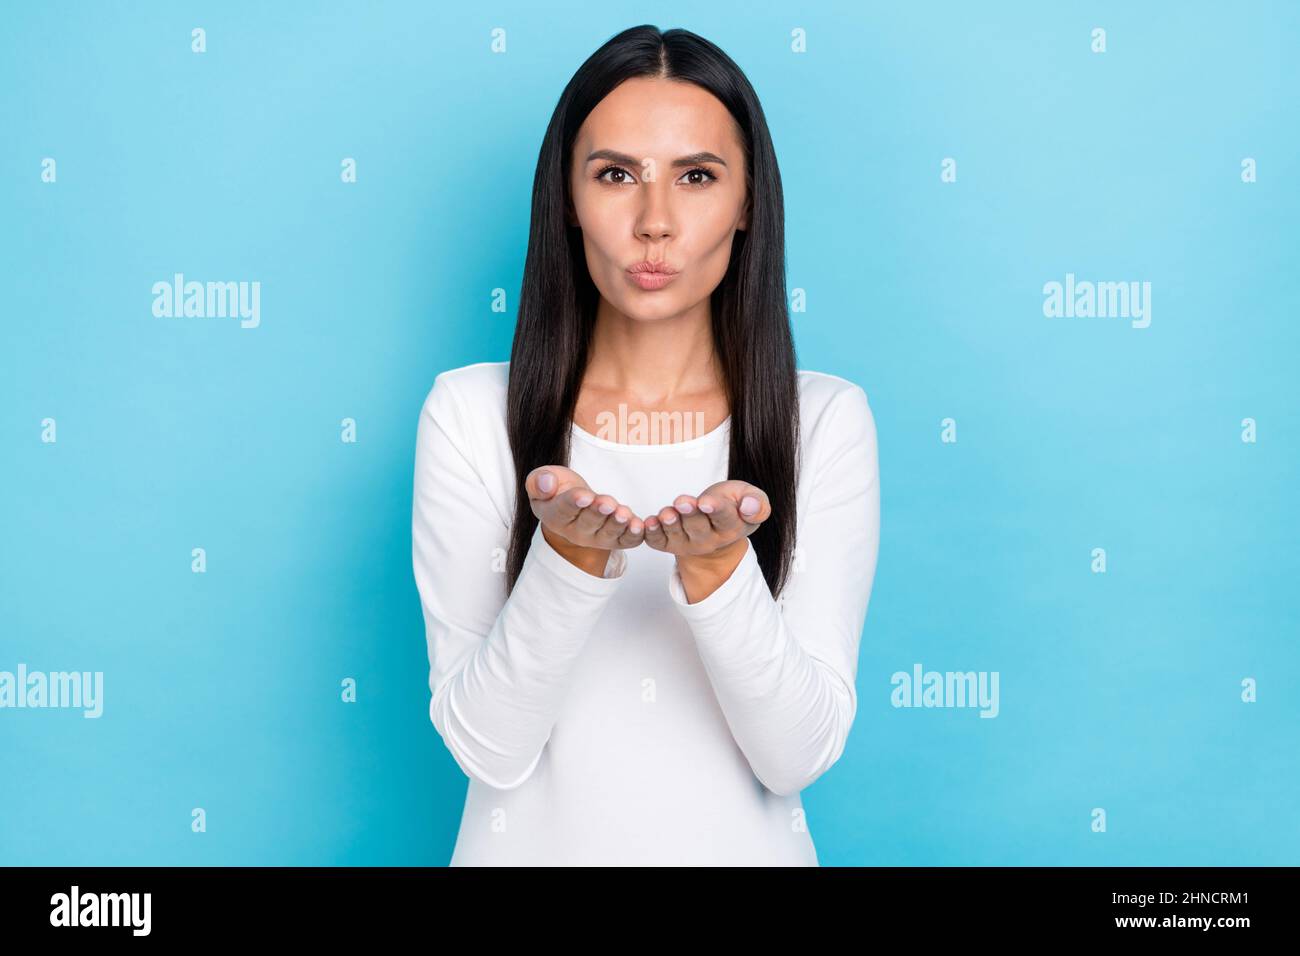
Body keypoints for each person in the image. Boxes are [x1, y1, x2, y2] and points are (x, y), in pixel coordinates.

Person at [411, 24, 880, 866]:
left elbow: (797, 754)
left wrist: (718, 574)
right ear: (566, 199)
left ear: (746, 207)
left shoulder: (826, 423)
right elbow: (487, 749)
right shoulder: (470, 413)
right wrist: (566, 562)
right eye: (617, 175)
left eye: (696, 176)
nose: (654, 222)